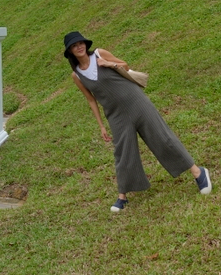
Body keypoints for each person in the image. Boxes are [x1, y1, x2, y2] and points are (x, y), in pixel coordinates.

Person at [64, 31, 212, 213]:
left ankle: (198, 172)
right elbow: (91, 99)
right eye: (74, 46)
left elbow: (125, 66)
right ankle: (122, 196)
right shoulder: (77, 75)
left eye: (80, 43)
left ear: (85, 44)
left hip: (136, 102)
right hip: (116, 115)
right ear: (70, 51)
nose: (79, 47)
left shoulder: (100, 54)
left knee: (161, 137)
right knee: (123, 151)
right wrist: (101, 125)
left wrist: (108, 63)